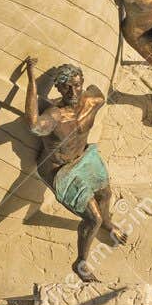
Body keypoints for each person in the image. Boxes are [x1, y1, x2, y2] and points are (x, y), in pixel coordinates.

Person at [24, 58, 125, 282]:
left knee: (106, 194)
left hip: (85, 158)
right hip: (60, 170)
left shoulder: (94, 100)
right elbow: (33, 125)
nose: (73, 91)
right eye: (66, 87)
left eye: (77, 85)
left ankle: (108, 223)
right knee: (93, 218)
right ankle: (81, 263)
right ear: (59, 88)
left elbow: (101, 89)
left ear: (82, 84)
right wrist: (31, 80)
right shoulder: (55, 115)